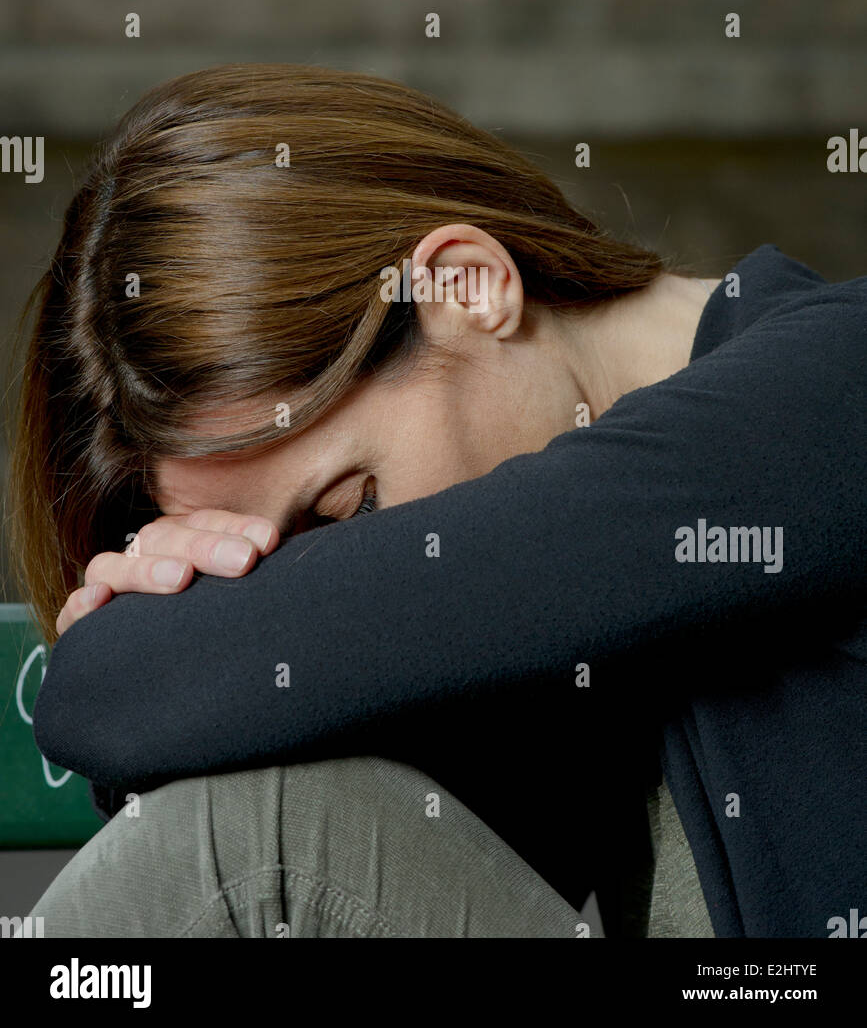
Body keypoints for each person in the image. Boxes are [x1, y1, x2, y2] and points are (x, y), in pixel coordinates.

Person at [8, 64, 866, 938]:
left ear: (463, 285)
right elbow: (144, 708)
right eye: (254, 558)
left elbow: (108, 688)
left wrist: (150, 642)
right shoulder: (562, 625)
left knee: (250, 844)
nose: (311, 577)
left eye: (348, 515)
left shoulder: (839, 384)